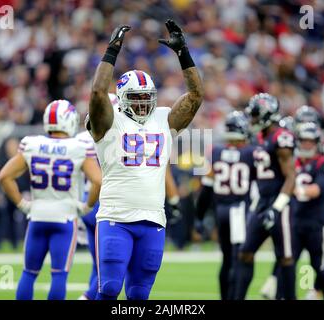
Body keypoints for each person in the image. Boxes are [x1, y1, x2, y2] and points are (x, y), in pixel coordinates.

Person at [87, 20, 203, 300]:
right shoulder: (108, 121)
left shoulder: (163, 119)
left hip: (153, 219)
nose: (141, 102)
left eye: (145, 97)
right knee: (110, 289)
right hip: (116, 217)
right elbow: (97, 93)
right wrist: (111, 52)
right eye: (135, 97)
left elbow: (196, 96)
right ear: (123, 99)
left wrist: (183, 53)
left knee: (139, 295)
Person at [0, 99, 102, 300]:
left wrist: (22, 204)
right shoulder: (78, 146)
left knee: (29, 273)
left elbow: (4, 176)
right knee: (59, 276)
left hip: (37, 216)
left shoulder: (33, 143)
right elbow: (98, 180)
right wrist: (87, 206)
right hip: (65, 218)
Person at [233, 93, 296, 300]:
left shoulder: (281, 137)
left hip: (280, 205)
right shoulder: (259, 137)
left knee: (285, 257)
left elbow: (291, 177)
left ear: (267, 115)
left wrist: (276, 208)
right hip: (261, 204)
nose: (252, 120)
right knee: (245, 252)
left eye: (255, 115)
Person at [195, 111, 256, 300]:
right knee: (241, 260)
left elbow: (206, 188)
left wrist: (199, 216)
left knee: (227, 260)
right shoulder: (251, 153)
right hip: (240, 211)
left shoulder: (216, 151)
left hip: (221, 211)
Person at [292, 122, 324, 300]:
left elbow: (321, 188)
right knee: (287, 264)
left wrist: (297, 190)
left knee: (320, 268)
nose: (307, 145)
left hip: (317, 223)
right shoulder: (292, 162)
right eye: (304, 141)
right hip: (296, 222)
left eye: (310, 141)